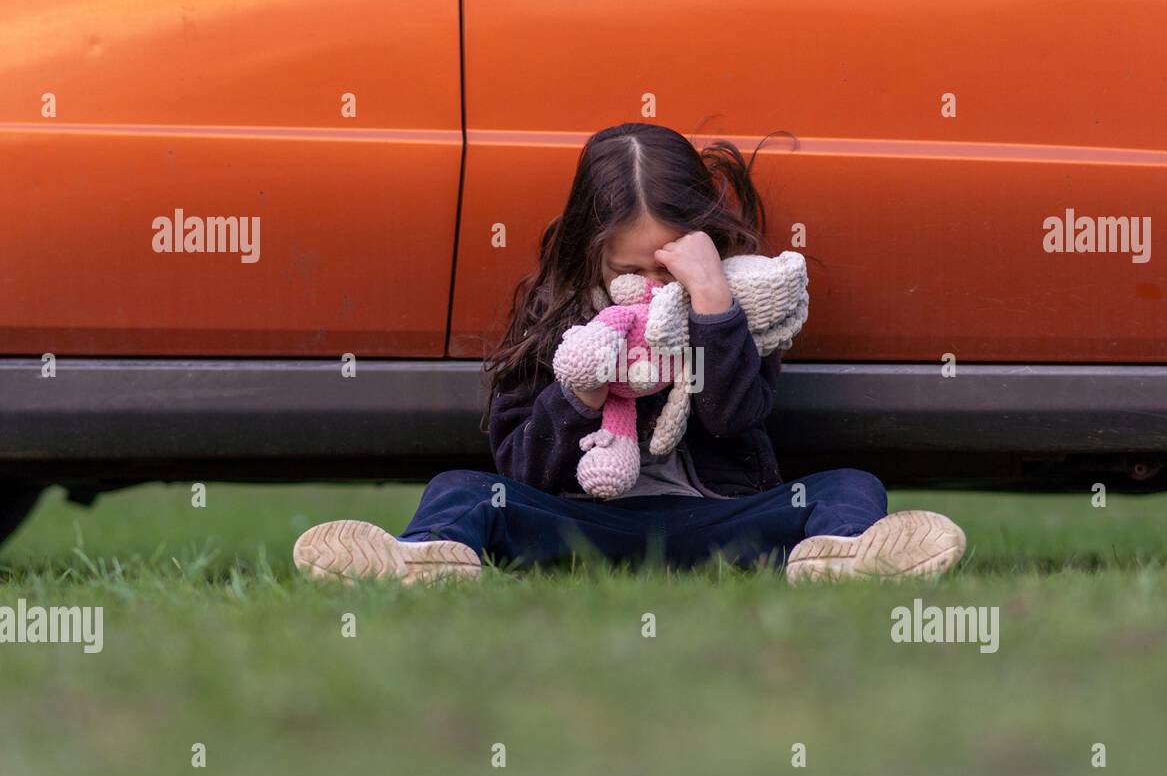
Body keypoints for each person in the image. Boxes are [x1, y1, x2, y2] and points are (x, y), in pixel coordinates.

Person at [293, 123, 966, 585]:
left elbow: (736, 418)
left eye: (668, 266)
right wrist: (581, 390)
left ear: (704, 244)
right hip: (585, 525)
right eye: (629, 269)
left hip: (717, 523)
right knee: (462, 489)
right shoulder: (557, 318)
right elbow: (520, 464)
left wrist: (709, 303)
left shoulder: (733, 309)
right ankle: (421, 560)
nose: (650, 288)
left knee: (852, 484)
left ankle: (841, 557)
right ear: (589, 254)